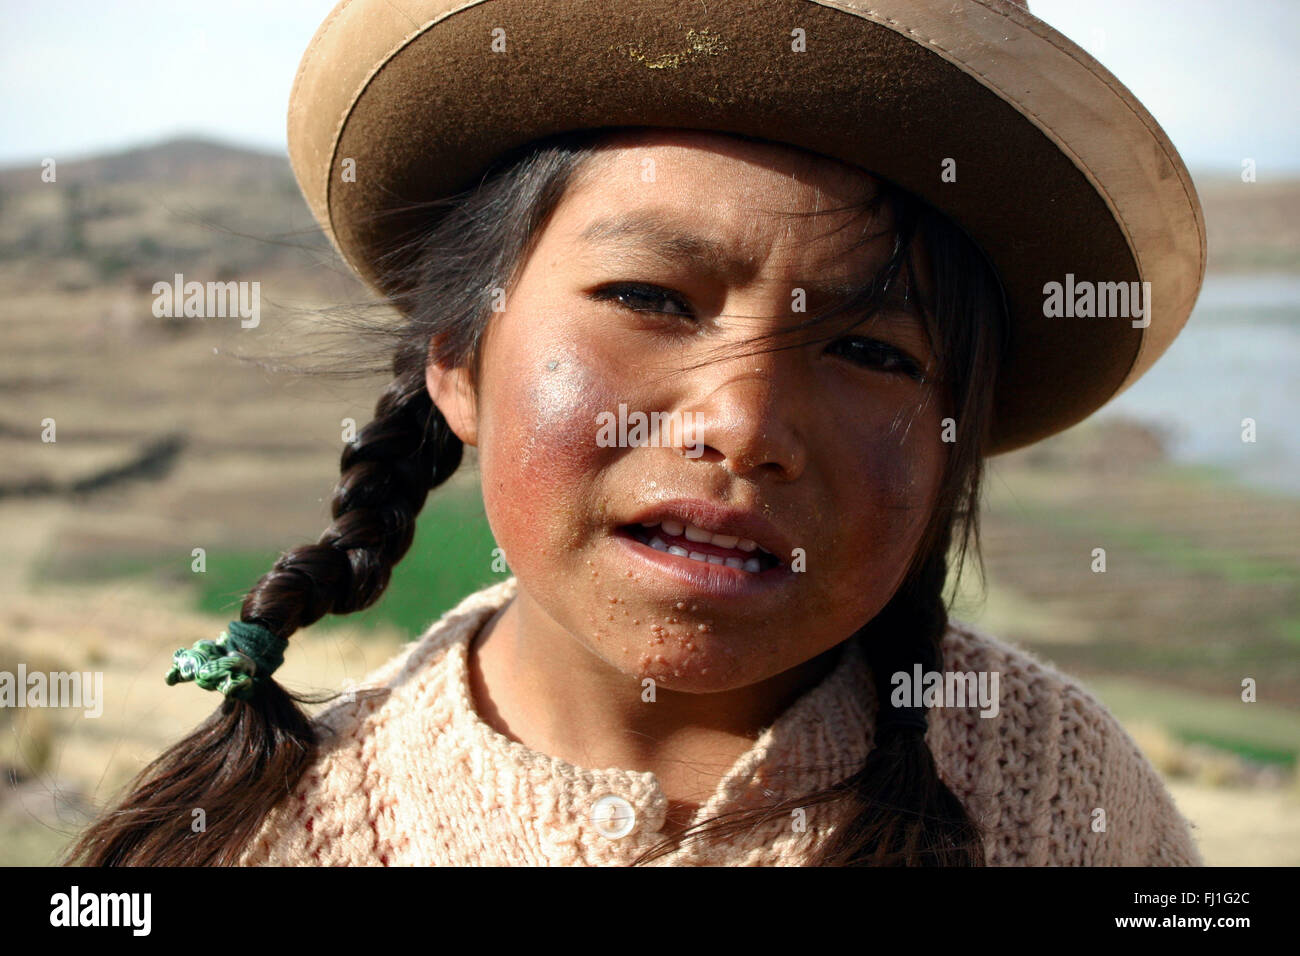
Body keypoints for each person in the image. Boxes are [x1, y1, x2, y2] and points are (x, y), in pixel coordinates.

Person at [65, 0, 1205, 866]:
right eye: (652, 298)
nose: (744, 424)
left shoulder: (1063, 795)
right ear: (454, 359)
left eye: (872, 351)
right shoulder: (267, 836)